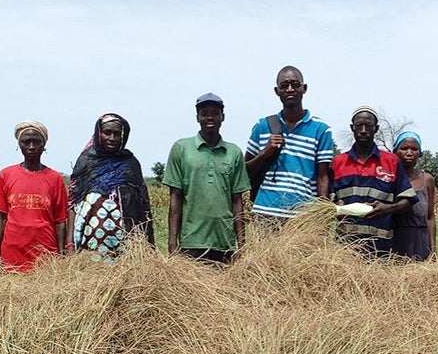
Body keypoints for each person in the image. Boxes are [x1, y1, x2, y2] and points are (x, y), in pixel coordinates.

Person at [163, 93, 250, 264]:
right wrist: (172, 243)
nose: (210, 118)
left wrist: (242, 244)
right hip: (191, 241)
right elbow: (176, 198)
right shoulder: (181, 149)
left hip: (225, 242)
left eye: (215, 113)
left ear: (222, 117)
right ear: (197, 117)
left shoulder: (233, 152)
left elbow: (237, 201)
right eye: (204, 113)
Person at [245, 66, 334, 225]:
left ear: (304, 88)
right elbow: (244, 172)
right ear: (276, 91)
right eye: (284, 85)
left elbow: (322, 177)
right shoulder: (263, 126)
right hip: (265, 213)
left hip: (303, 218)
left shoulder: (321, 129)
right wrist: (265, 153)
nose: (290, 89)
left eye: (295, 84)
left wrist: (322, 216)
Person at [331, 106, 417, 258]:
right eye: (359, 125)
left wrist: (388, 208)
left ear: (376, 129)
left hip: (381, 249)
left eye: (369, 126)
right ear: (352, 128)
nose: (363, 130)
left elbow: (408, 200)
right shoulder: (338, 162)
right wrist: (336, 207)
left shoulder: (391, 161)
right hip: (344, 249)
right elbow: (328, 201)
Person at [69, 113, 154, 259]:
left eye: (117, 134)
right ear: (98, 133)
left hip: (126, 242)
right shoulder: (86, 162)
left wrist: (148, 244)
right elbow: (73, 203)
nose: (112, 138)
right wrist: (69, 243)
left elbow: (143, 206)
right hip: (90, 243)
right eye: (107, 133)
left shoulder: (131, 163)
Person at [0, 121, 68, 271]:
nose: (32, 146)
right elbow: (1, 218)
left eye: (36, 142)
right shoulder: (5, 175)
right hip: (12, 251)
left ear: (44, 145)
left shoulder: (55, 178)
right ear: (19, 144)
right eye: (26, 142)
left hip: (45, 252)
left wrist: (60, 255)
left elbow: (60, 221)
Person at [392, 131, 435, 261]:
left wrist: (432, 250)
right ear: (395, 152)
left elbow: (430, 217)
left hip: (420, 242)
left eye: (414, 149)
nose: (409, 152)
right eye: (404, 148)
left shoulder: (427, 179)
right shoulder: (390, 178)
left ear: (420, 153)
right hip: (395, 241)